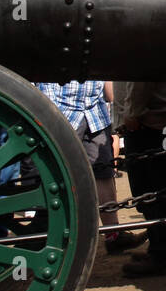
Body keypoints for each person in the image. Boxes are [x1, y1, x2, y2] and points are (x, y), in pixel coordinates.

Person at [36, 80, 142, 255]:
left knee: (104, 172)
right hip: (61, 110)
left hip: (95, 112)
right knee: (57, 176)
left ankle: (113, 234)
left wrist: (117, 102)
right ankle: (53, 237)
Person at [113, 80, 166, 277]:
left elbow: (142, 74)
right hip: (162, 117)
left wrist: (132, 112)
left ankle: (165, 253)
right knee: (163, 183)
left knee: (152, 187)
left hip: (150, 119)